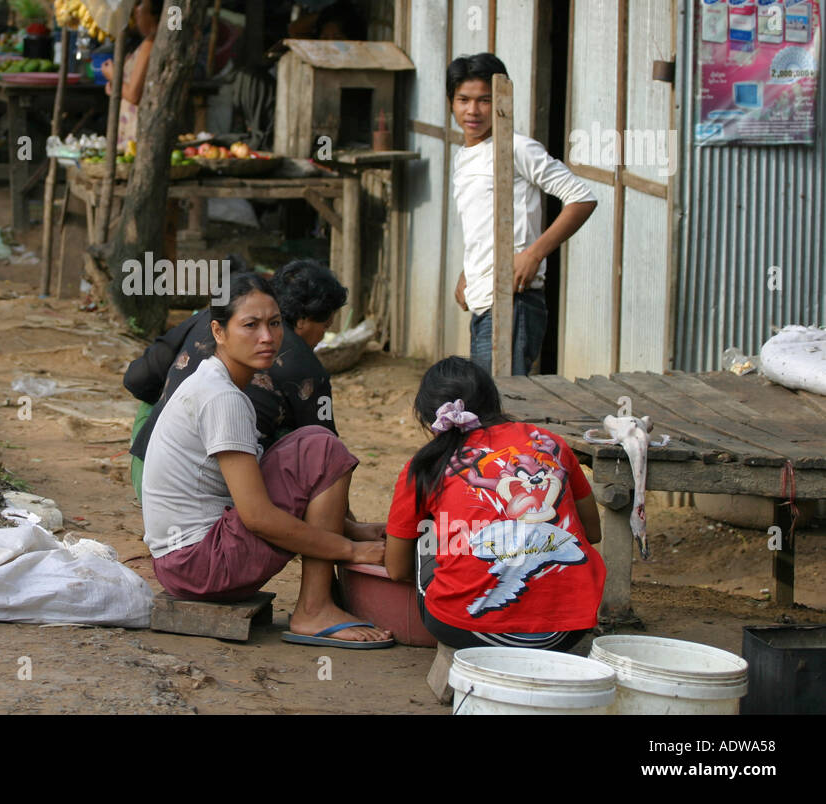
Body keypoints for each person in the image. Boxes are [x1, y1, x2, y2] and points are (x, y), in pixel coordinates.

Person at [141, 273, 393, 646]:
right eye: (250, 325)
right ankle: (314, 608)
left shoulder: (218, 382)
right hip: (200, 566)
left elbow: (254, 486)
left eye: (274, 324)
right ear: (219, 332)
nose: (267, 337)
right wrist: (351, 550)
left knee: (310, 444)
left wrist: (352, 528)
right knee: (321, 449)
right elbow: (257, 516)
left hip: (184, 563)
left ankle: (318, 604)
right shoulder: (221, 397)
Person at [383, 356, 604, 653]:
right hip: (566, 631)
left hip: (466, 630)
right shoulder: (550, 443)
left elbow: (396, 569)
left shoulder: (425, 467)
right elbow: (591, 533)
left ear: (429, 415)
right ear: (493, 401)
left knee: (427, 530)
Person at [125, 258, 348, 501]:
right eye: (324, 327)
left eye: (274, 324)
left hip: (154, 477)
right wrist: (343, 536)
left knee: (160, 397)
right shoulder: (303, 368)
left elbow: (138, 379)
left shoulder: (216, 317)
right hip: (213, 496)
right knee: (311, 443)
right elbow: (326, 457)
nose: (266, 337)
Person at [448, 53, 597, 376]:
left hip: (514, 302)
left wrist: (533, 255)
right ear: (451, 103)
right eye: (464, 100)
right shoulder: (464, 156)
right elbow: (485, 225)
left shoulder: (517, 148)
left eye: (484, 101)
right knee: (492, 403)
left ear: (500, 100)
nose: (473, 110)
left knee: (501, 405)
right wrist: (468, 272)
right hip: (483, 300)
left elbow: (582, 198)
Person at [102, 0, 166, 147]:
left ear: (153, 14)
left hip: (137, 127)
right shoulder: (155, 42)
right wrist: (116, 85)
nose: (136, 11)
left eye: (141, 5)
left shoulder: (149, 45)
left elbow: (133, 95)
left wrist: (113, 76)